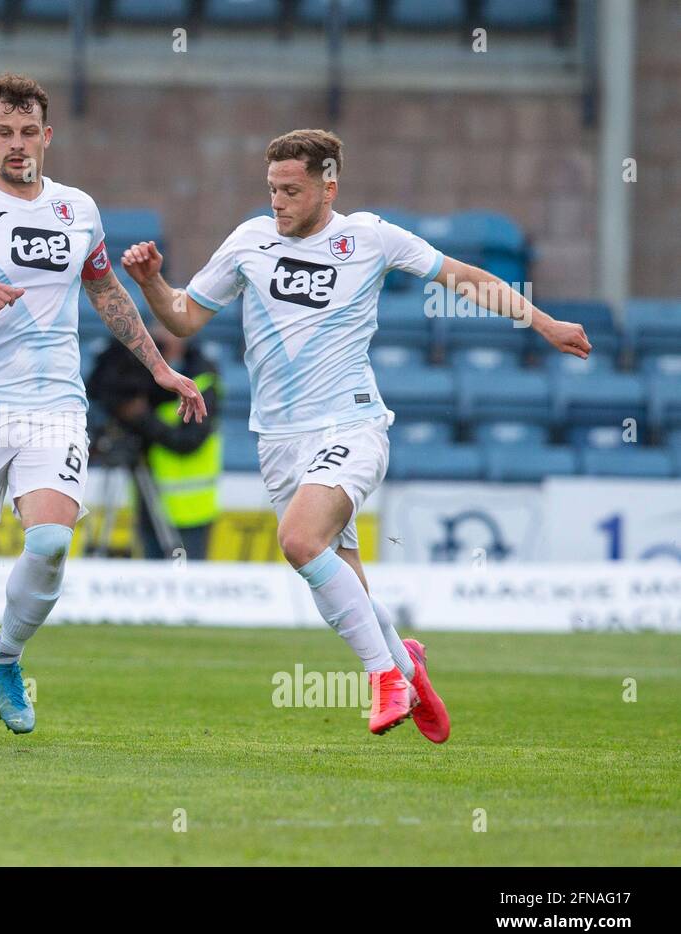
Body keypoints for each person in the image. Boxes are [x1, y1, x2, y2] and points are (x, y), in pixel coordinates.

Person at [122, 129, 592, 742]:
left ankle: (384, 679)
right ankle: (405, 662)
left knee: (297, 539)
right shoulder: (249, 242)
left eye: (291, 191)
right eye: (272, 190)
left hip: (352, 421)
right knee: (335, 573)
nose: (278, 203)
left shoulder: (369, 236)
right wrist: (153, 281)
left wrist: (544, 322)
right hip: (278, 440)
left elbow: (462, 277)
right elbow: (183, 315)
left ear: (328, 186)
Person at [0, 73, 206, 743]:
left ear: (47, 136)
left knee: (52, 542)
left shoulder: (78, 210)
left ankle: (4, 657)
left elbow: (106, 292)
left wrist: (161, 369)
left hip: (57, 405)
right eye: (4, 132)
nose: (16, 144)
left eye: (28, 131)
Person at [87, 325, 221, 560]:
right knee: (152, 573)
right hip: (149, 503)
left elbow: (188, 440)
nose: (159, 341)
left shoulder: (201, 376)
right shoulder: (149, 380)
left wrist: (140, 416)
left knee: (187, 582)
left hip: (190, 512)